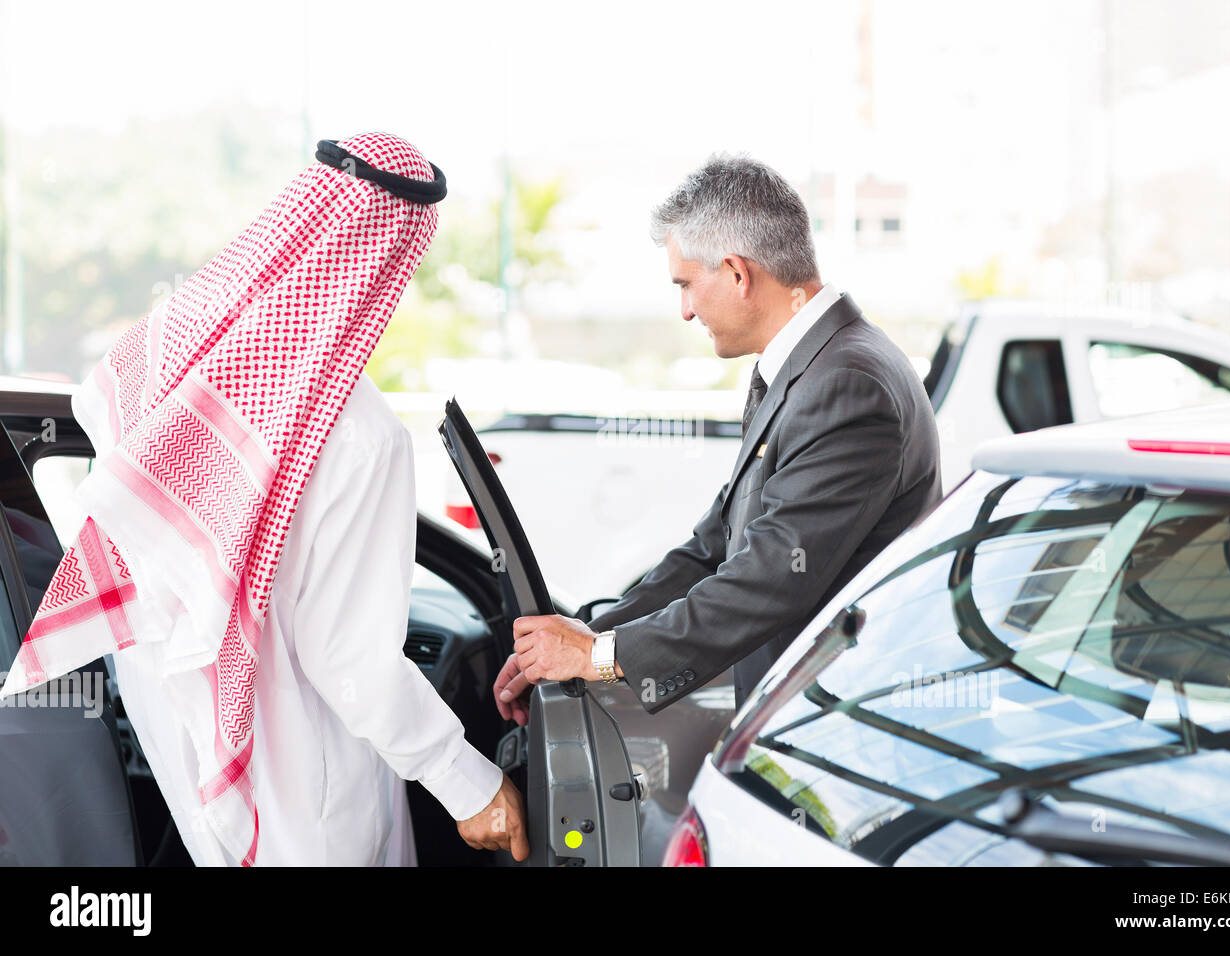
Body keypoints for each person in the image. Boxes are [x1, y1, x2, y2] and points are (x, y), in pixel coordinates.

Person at [0, 132, 527, 865]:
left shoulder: (160, 355)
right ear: (387, 260)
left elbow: (103, 423)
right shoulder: (359, 433)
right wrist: (468, 784)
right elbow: (349, 656)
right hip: (296, 764)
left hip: (180, 726)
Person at [494, 154, 942, 720]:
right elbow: (715, 547)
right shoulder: (811, 367)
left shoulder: (846, 383)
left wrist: (598, 656)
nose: (684, 310)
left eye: (686, 284)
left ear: (736, 272)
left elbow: (771, 580)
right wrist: (583, 637)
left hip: (842, 727)